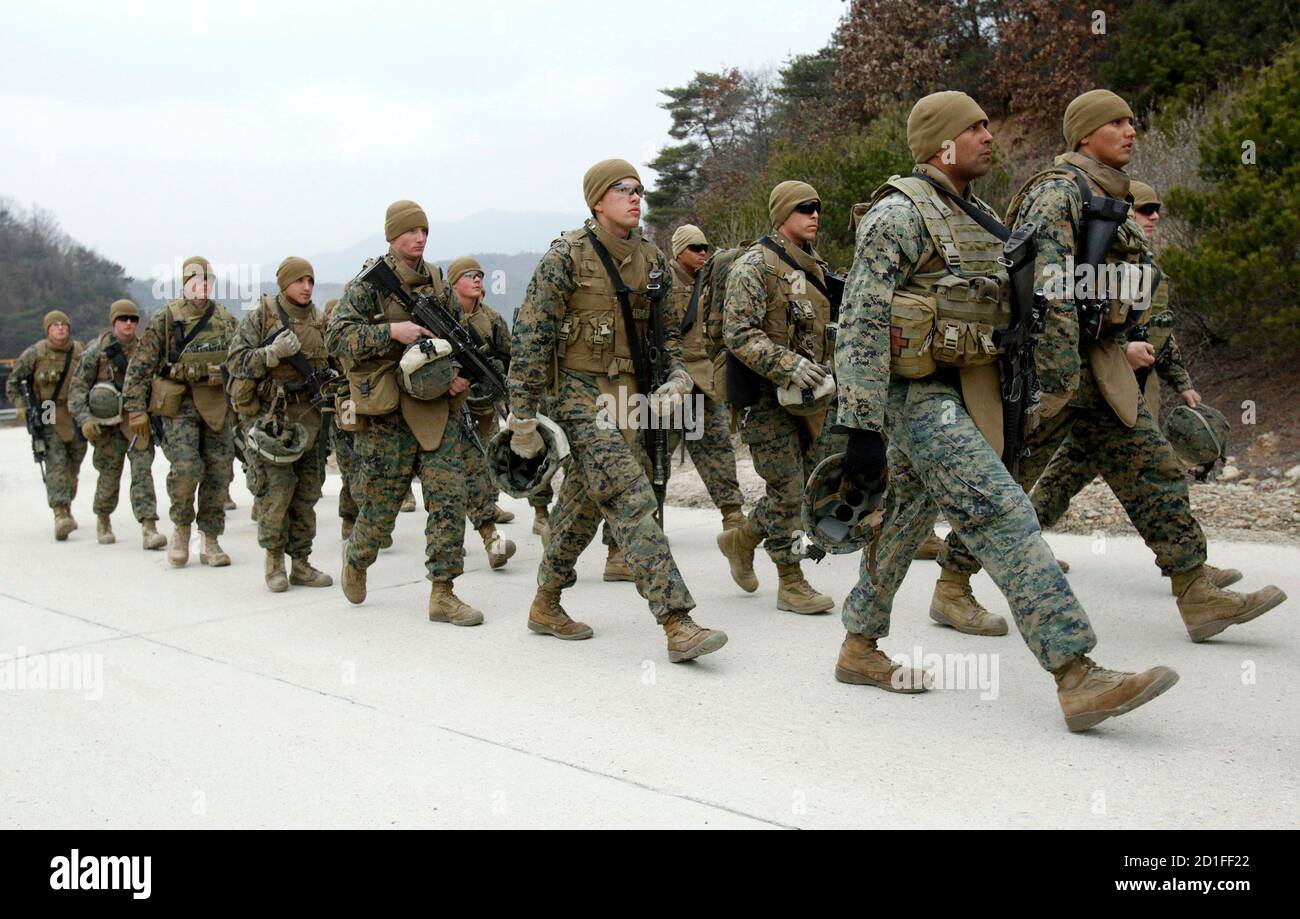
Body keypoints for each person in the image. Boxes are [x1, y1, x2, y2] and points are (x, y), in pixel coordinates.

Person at [832, 90, 1179, 730]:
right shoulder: (899, 216)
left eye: (989, 125)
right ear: (942, 143)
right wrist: (859, 429)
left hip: (972, 388)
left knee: (906, 519)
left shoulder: (978, 213)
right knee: (1000, 508)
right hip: (920, 395)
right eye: (976, 128)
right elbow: (858, 322)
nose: (989, 136)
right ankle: (1076, 673)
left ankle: (858, 644)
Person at [935, 89, 1286, 643]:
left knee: (1155, 470)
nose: (1131, 130)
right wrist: (1050, 386)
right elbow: (1048, 294)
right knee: (1009, 486)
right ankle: (952, 585)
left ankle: (1198, 595)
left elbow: (1113, 294)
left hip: (1100, 370)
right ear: (1084, 136)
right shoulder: (1058, 193)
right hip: (1055, 375)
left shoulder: (1106, 194)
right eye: (1116, 122)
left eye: (1131, 120)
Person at [506, 158, 726, 661]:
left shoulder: (651, 260)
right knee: (631, 495)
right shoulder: (565, 257)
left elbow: (669, 332)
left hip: (632, 397)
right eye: (624, 189)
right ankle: (676, 621)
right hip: (579, 395)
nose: (635, 198)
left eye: (639, 190)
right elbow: (532, 337)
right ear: (597, 200)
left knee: (582, 502)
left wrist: (676, 377)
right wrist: (521, 417)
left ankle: (545, 601)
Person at [326, 200, 485, 625]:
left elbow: (461, 337)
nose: (418, 238)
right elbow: (337, 337)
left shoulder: (436, 279)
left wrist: (461, 375)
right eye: (410, 231)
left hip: (435, 407)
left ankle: (443, 592)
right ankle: (358, 558)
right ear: (391, 236)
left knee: (449, 499)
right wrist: (391, 331)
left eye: (424, 231)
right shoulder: (368, 285)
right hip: (388, 414)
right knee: (380, 508)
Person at [718, 180, 845, 614]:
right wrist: (788, 365)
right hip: (767, 400)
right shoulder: (755, 265)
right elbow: (738, 333)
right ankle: (791, 581)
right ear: (782, 215)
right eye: (804, 207)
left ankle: (742, 539)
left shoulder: (814, 266)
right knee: (788, 491)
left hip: (811, 399)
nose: (814, 214)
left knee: (805, 489)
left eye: (818, 207)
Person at [226, 257, 335, 592]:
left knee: (306, 494)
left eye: (310, 281)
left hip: (312, 418)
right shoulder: (262, 316)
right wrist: (270, 354)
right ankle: (274, 562)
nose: (306, 287)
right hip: (274, 421)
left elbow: (335, 360)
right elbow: (234, 362)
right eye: (299, 281)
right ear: (284, 284)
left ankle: (300, 563)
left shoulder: (320, 320)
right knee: (277, 493)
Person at [123, 256, 238, 568]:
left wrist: (233, 386)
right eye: (195, 280)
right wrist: (136, 411)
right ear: (185, 283)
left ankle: (210, 538)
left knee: (218, 472)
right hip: (180, 405)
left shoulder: (226, 319)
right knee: (186, 470)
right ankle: (181, 529)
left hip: (216, 405)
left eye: (207, 280)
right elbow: (141, 367)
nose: (202, 285)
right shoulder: (167, 318)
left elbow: (241, 363)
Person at [68, 298, 167, 549]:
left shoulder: (146, 349)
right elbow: (77, 388)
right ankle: (103, 518)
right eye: (123, 319)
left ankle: (148, 526)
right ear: (114, 321)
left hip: (137, 422)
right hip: (107, 424)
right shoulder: (97, 352)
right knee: (109, 474)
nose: (129, 324)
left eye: (133, 319)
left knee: (142, 472)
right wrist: (85, 420)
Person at [6, 310, 86, 539]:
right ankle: (60, 514)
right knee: (56, 463)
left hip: (75, 411)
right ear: (48, 329)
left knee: (73, 465)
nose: (60, 328)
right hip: (49, 410)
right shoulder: (35, 353)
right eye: (55, 325)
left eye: (64, 324)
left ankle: (66, 505)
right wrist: (23, 406)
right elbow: (13, 382)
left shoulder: (79, 352)